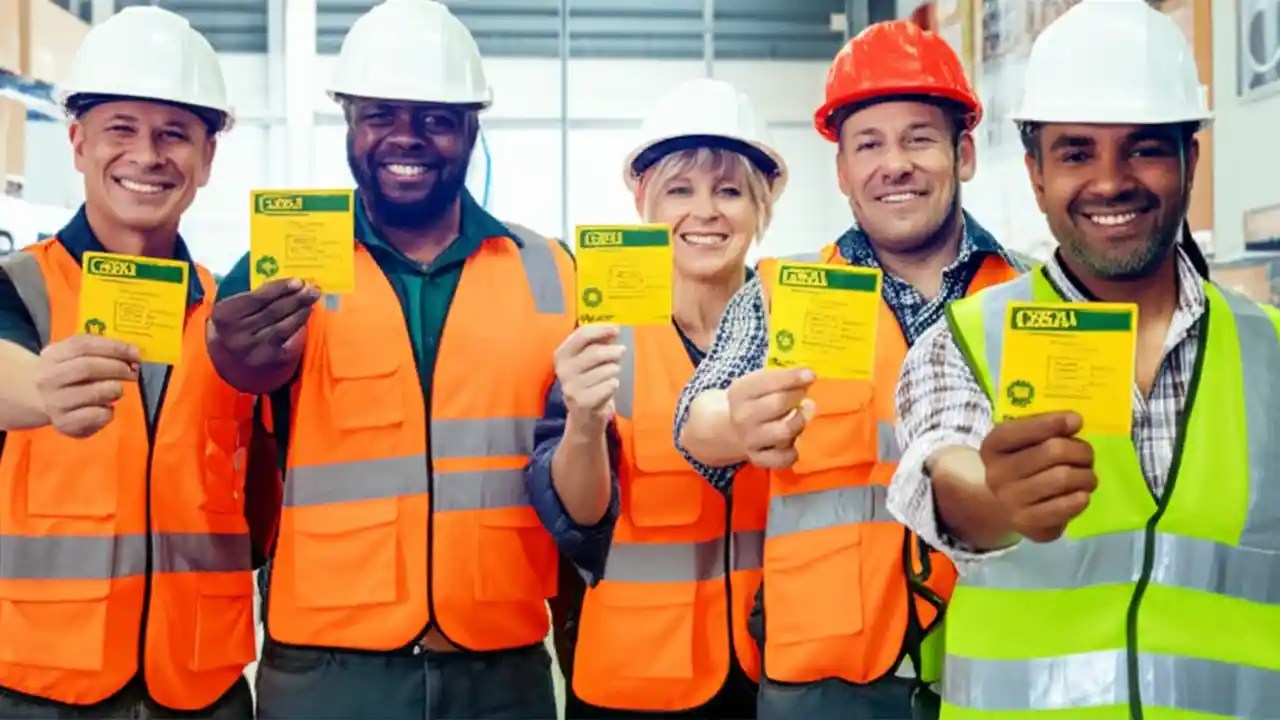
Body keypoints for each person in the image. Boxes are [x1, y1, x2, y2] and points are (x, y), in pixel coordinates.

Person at [887, 1, 1276, 718]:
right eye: (1075, 152)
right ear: (1034, 174)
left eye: (1144, 148)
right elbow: (944, 470)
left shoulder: (1272, 350)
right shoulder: (963, 341)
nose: (1109, 181)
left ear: (1191, 160)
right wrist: (997, 496)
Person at [206, 1, 593, 718]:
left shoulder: (551, 270)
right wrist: (231, 356)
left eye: (437, 119)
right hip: (329, 672)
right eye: (380, 115)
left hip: (500, 667)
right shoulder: (281, 263)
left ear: (472, 128)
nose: (405, 137)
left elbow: (580, 454)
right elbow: (228, 400)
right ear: (349, 122)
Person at [673, 19, 1028, 720]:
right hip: (827, 683)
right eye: (868, 144)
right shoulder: (785, 293)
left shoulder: (1031, 298)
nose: (894, 164)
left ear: (963, 154)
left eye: (918, 139)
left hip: (1000, 667)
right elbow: (695, 418)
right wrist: (737, 423)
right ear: (841, 171)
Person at [0, 6, 261, 719]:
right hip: (40, 690)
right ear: (78, 142)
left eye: (174, 134)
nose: (147, 156)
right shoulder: (18, 288)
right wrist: (44, 393)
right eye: (121, 129)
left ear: (207, 158)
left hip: (200, 689)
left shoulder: (231, 314)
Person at [537, 78, 786, 719]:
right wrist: (583, 424)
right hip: (636, 683)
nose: (705, 212)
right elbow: (579, 519)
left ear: (761, 205)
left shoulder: (797, 326)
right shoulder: (600, 335)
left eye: (729, 191)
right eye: (680, 190)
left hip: (773, 672)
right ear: (644, 202)